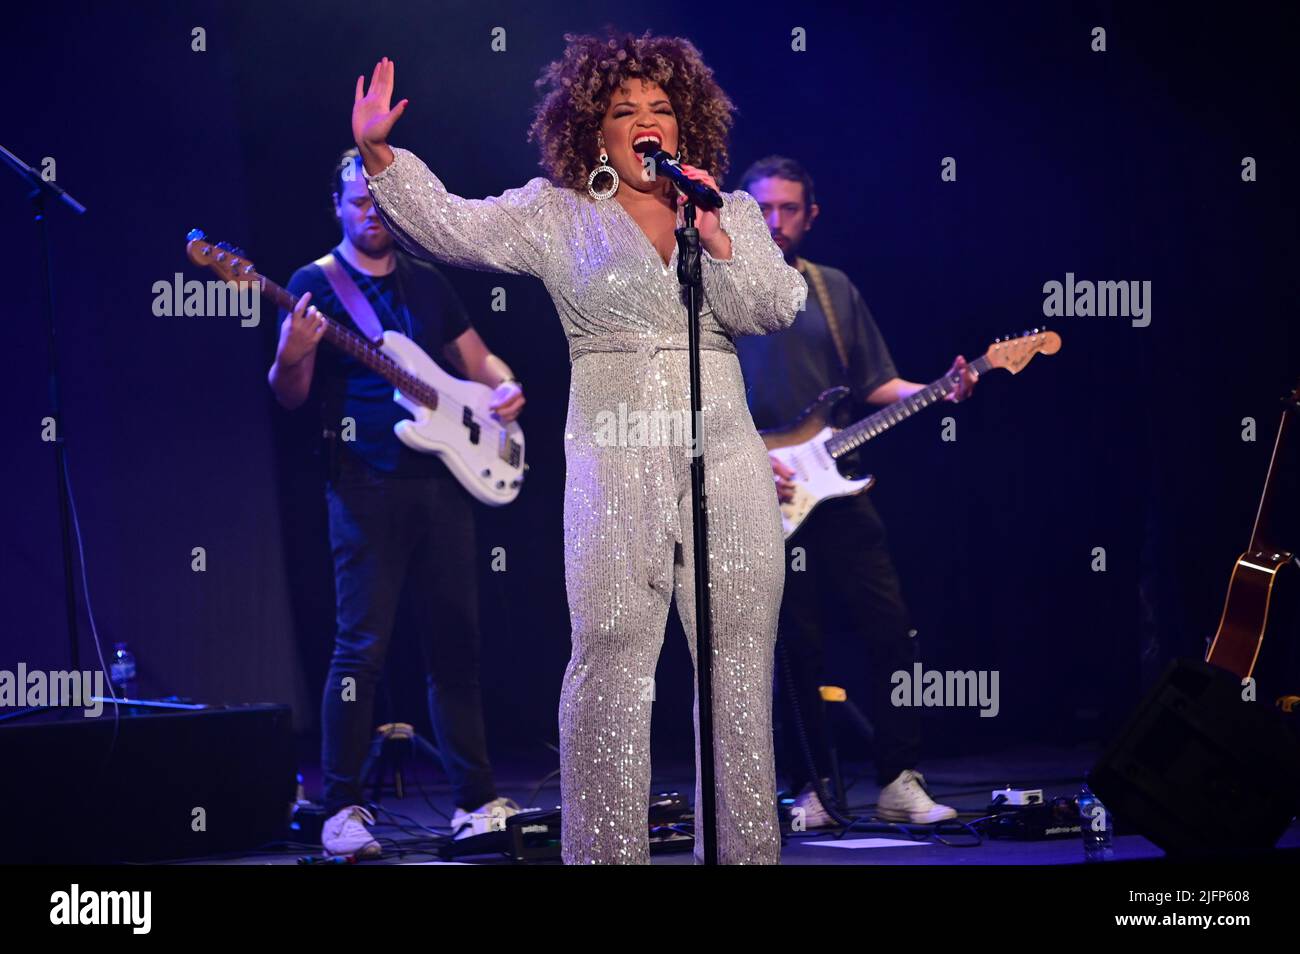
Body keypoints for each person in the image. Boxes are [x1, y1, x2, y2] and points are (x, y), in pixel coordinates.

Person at [352, 34, 806, 863]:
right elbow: (451, 227)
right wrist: (379, 153)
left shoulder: (725, 208)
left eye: (661, 109)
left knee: (740, 666)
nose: (645, 122)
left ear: (687, 123)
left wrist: (719, 231)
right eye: (624, 109)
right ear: (594, 130)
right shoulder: (559, 213)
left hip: (725, 455)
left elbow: (775, 305)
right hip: (614, 449)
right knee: (610, 654)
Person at [268, 147, 526, 857]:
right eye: (357, 202)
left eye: (380, 202)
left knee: (456, 650)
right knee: (361, 650)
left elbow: (480, 363)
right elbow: (288, 396)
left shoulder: (429, 282)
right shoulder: (310, 283)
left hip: (443, 482)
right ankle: (343, 809)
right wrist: (293, 350)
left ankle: (475, 802)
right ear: (337, 207)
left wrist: (503, 389)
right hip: (363, 481)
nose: (370, 213)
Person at [735, 156, 976, 826]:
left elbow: (875, 384)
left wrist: (942, 386)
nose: (775, 222)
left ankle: (899, 778)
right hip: (757, 488)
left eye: (788, 209)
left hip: (837, 489)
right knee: (793, 645)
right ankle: (806, 788)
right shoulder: (719, 290)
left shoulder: (832, 287)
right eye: (762, 209)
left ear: (811, 216)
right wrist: (749, 458)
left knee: (892, 630)